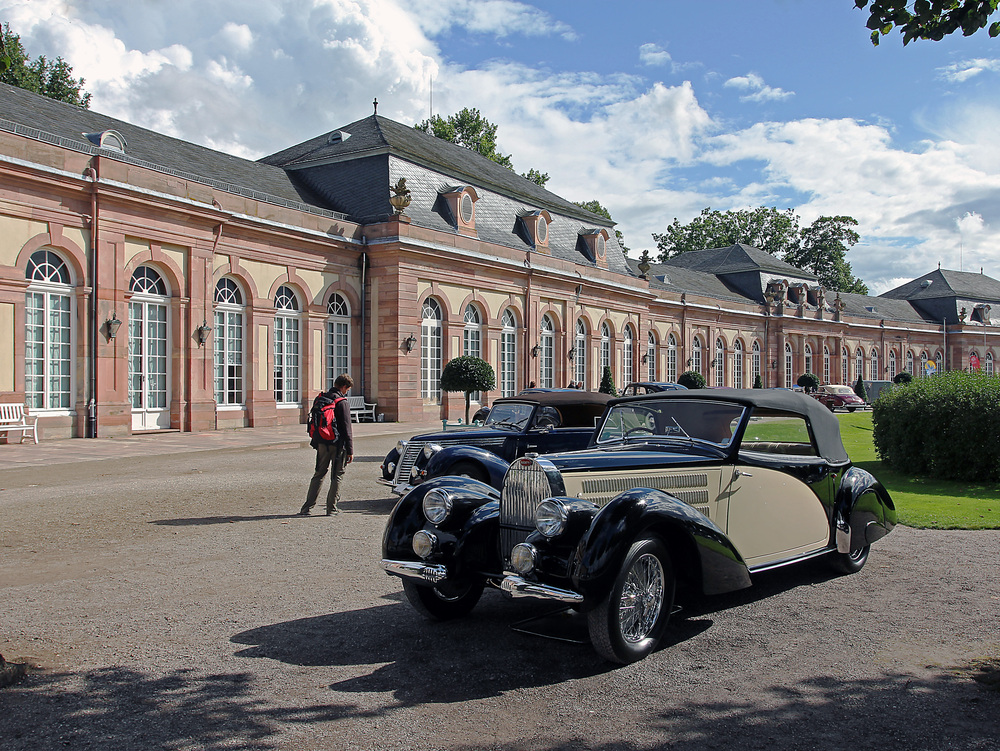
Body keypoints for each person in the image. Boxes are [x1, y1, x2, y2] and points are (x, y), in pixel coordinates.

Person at [299, 373, 354, 516]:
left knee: (319, 474)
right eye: (347, 389)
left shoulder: (321, 399)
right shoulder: (342, 402)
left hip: (322, 442)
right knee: (337, 476)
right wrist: (350, 450)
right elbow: (347, 428)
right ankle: (331, 509)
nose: (346, 392)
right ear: (343, 387)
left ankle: (307, 508)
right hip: (337, 443)